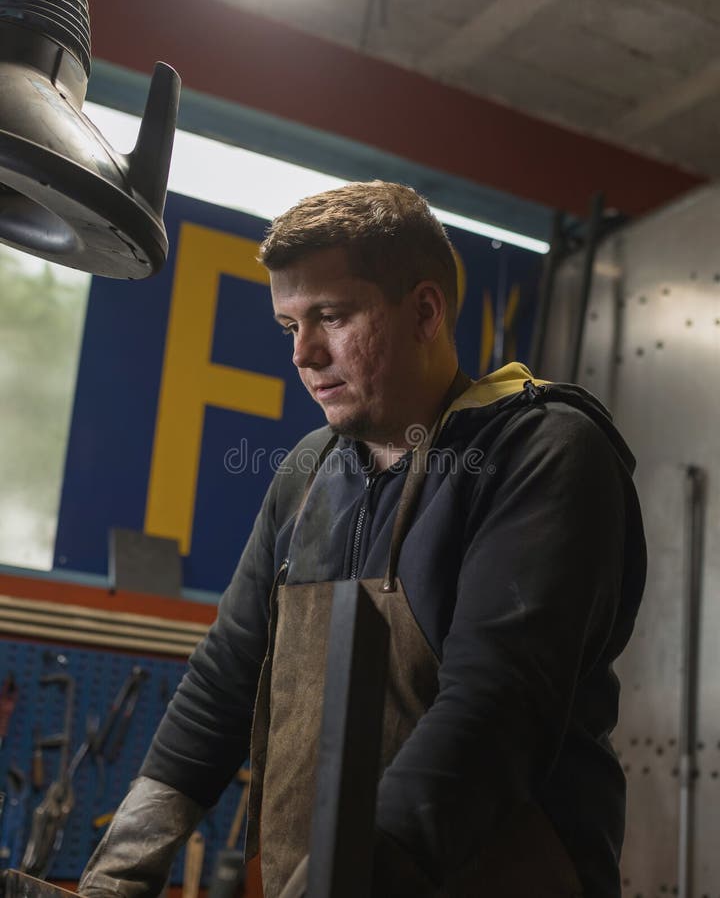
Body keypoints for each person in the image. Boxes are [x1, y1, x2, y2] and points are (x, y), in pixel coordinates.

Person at [79, 181, 646, 898]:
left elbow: (497, 706)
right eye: (290, 326)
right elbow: (228, 677)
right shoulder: (307, 473)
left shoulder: (540, 450)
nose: (304, 355)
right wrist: (125, 864)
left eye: (332, 316)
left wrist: (346, 879)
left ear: (425, 312)